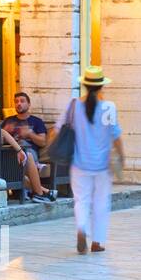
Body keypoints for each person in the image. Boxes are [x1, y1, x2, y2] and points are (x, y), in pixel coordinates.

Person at [54, 67, 124, 254]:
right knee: (101, 202)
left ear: (84, 85)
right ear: (101, 86)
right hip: (102, 165)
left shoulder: (74, 105)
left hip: (79, 163)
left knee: (81, 200)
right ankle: (97, 242)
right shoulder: (109, 107)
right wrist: (122, 156)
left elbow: (57, 129)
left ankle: (81, 228)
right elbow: (115, 135)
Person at [1, 91, 55, 203]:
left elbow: (43, 142)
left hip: (30, 151)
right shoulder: (8, 121)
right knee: (16, 162)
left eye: (22, 101)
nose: (19, 104)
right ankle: (43, 192)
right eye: (16, 102)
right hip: (11, 152)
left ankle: (34, 192)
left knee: (28, 155)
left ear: (29, 104)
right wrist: (6, 134)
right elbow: (0, 137)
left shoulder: (36, 121)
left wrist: (30, 133)